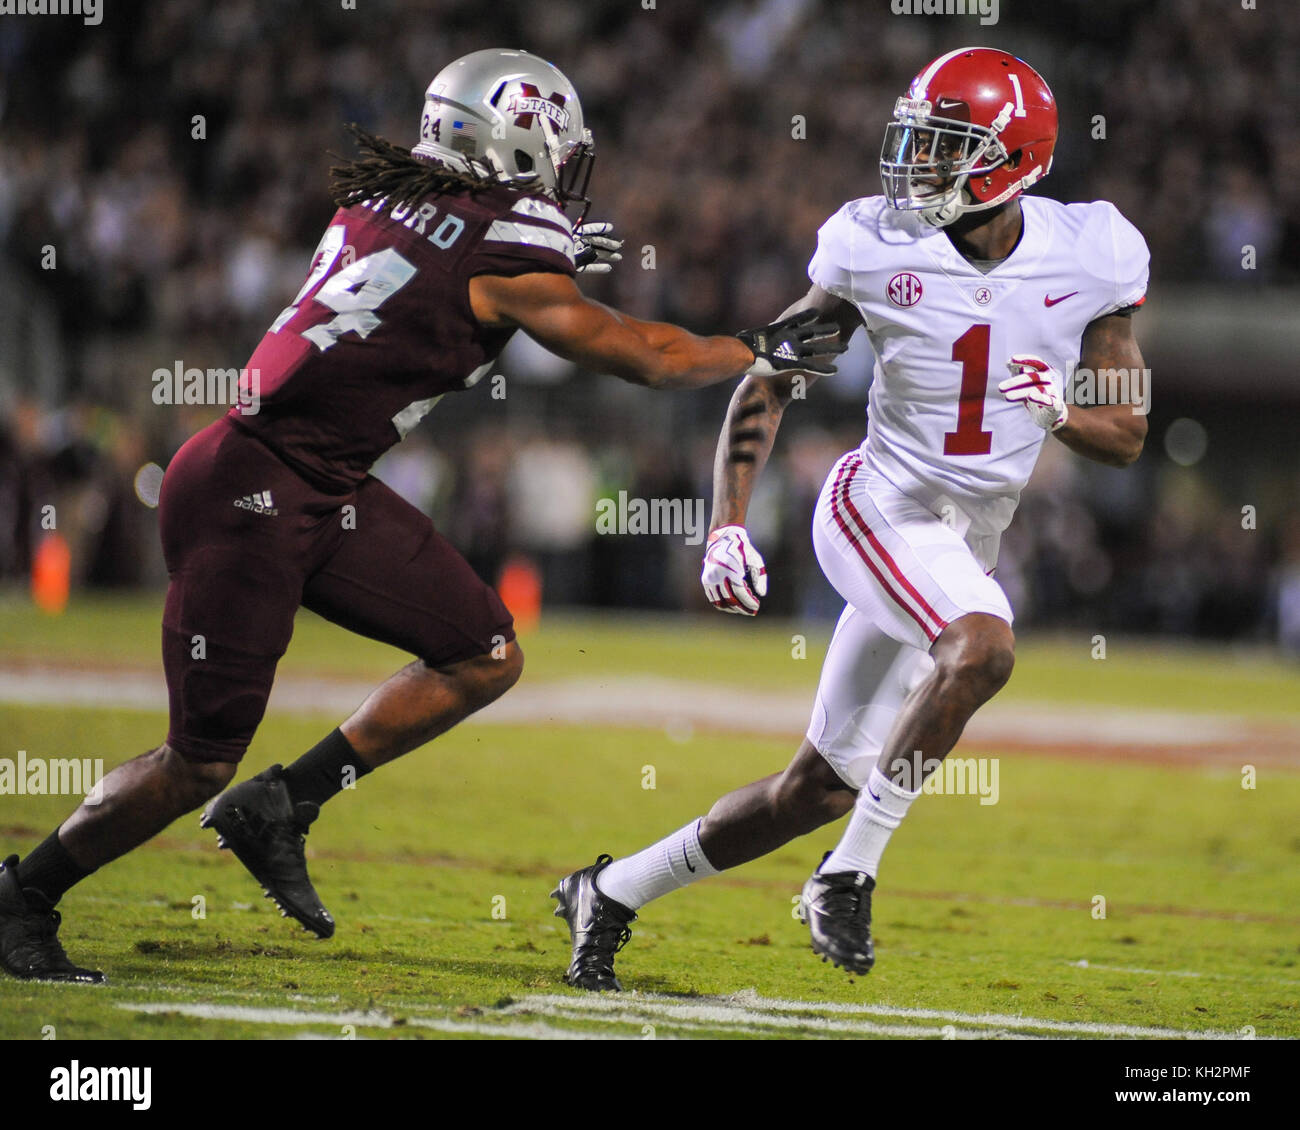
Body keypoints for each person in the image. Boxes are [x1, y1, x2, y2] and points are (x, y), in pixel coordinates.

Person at [0, 48, 841, 983]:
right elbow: (642, 353)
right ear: (515, 145)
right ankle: (21, 896)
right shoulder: (505, 249)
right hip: (256, 492)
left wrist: (553, 257)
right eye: (556, 153)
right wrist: (756, 345)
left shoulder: (384, 197)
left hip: (317, 481)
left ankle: (284, 804)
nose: (566, 174)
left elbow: (453, 262)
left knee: (483, 652)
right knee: (195, 762)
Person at [554, 46, 1149, 990]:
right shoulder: (874, 243)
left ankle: (612, 890)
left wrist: (1059, 413)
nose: (918, 163)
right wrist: (728, 523)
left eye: (946, 146)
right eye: (916, 139)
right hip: (877, 505)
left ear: (1016, 159)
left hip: (963, 537)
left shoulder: (1094, 250)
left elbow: (1124, 434)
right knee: (983, 647)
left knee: (815, 788)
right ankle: (848, 877)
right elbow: (774, 374)